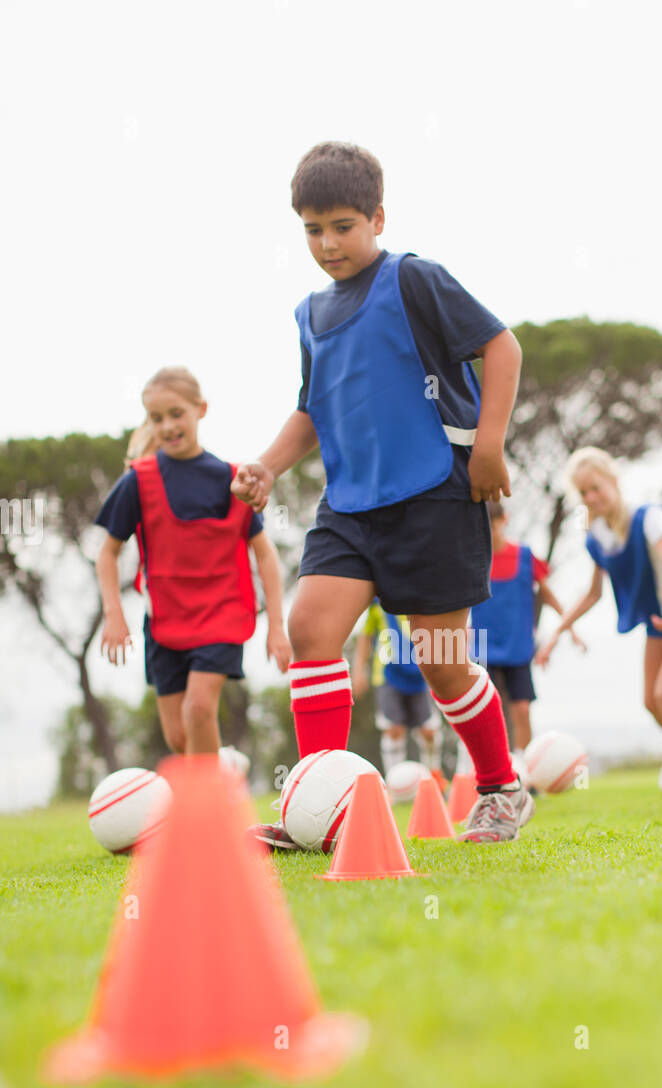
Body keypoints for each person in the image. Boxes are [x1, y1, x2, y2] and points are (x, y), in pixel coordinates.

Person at [233, 141, 531, 845]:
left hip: (433, 496)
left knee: (442, 665)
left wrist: (488, 446)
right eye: (312, 228)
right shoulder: (309, 315)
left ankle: (501, 788)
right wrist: (270, 465)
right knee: (311, 631)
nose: (328, 242)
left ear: (378, 217)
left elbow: (502, 347)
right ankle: (319, 807)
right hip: (350, 506)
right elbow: (314, 408)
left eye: (342, 225)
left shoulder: (414, 280)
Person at [95, 366, 292, 763]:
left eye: (176, 413)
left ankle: (210, 820)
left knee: (199, 709)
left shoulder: (233, 479)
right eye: (156, 418)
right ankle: (223, 770)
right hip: (165, 622)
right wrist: (114, 614)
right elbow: (108, 552)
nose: (167, 425)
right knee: (179, 737)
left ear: (200, 409)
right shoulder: (137, 481)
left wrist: (276, 626)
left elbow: (266, 553)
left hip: (222, 616)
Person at [537, 448, 662, 801]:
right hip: (659, 615)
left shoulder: (650, 517)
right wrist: (557, 634)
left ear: (613, 480)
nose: (591, 497)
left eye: (596, 488)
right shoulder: (598, 535)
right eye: (583, 493)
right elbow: (593, 594)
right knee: (651, 700)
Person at [469, 500, 573, 754]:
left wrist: (569, 627)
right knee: (485, 710)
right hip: (484, 648)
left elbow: (547, 594)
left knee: (522, 708)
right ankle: (492, 765)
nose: (489, 530)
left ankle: (524, 765)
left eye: (492, 524)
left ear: (504, 520)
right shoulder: (473, 559)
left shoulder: (525, 557)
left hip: (518, 647)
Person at [351, 601, 443, 777]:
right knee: (394, 729)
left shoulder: (423, 597)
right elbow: (366, 636)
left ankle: (434, 776)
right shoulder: (377, 603)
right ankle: (394, 780)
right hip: (387, 674)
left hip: (421, 673)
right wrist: (359, 669)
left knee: (429, 730)